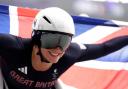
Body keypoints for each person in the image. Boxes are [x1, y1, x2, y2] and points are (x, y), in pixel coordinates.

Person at [0, 7, 128, 89]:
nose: (58, 49)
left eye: (64, 42)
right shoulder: (12, 46)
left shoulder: (71, 54)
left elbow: (105, 47)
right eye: (51, 40)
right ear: (36, 38)